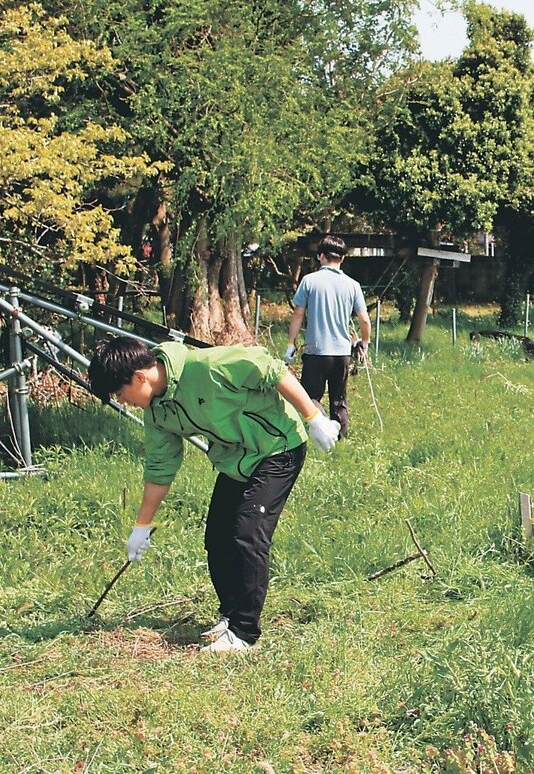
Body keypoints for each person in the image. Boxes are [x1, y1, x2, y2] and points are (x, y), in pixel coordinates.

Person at [88, 336, 341, 652]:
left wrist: (313, 417)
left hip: (278, 448)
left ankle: (244, 633)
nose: (122, 401)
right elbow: (160, 468)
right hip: (237, 459)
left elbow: (272, 369)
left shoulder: (209, 366)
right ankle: (231, 615)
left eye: (119, 394)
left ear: (139, 377)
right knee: (218, 537)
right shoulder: (157, 412)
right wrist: (141, 526)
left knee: (248, 532)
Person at [286, 235, 370, 437]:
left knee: (308, 396)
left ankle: (324, 426)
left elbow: (298, 313)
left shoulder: (309, 281)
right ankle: (340, 436)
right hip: (342, 352)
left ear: (321, 257)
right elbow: (364, 320)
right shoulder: (352, 285)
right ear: (342, 259)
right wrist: (364, 343)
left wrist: (290, 344)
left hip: (316, 350)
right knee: (339, 399)